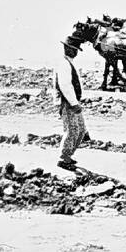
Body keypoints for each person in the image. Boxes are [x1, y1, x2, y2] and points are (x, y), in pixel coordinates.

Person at [55, 36, 87, 170]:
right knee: (72, 131)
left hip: (72, 102)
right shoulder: (64, 64)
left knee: (80, 131)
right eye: (74, 49)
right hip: (68, 103)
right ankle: (63, 158)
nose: (76, 52)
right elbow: (65, 85)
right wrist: (74, 103)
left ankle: (68, 155)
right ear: (67, 49)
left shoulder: (69, 63)